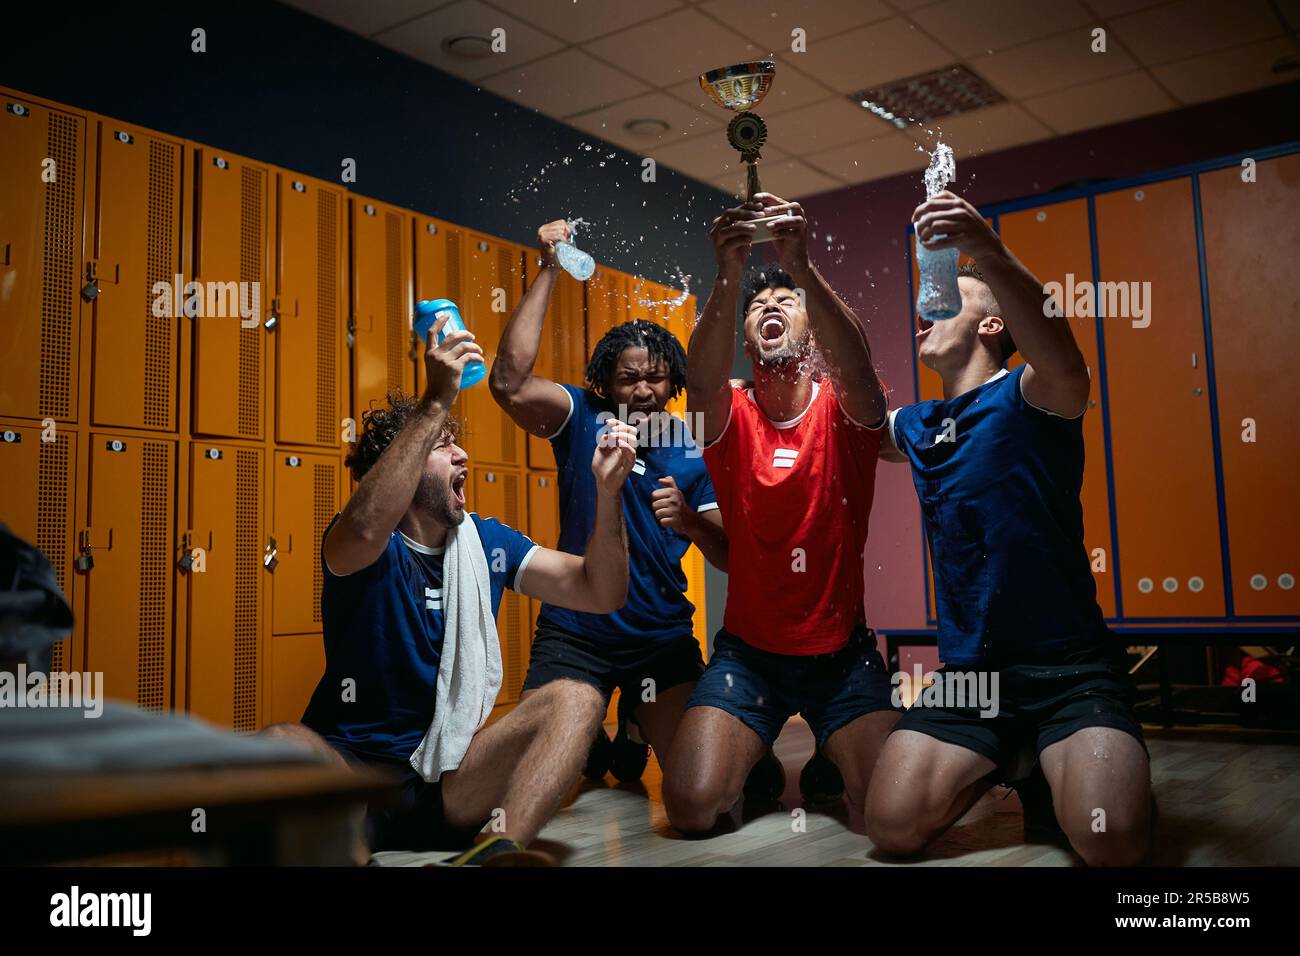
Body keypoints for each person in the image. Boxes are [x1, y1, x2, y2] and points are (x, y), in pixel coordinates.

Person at [265, 312, 639, 866]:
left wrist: (609, 496)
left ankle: (498, 850)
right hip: (353, 775)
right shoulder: (362, 545)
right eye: (443, 447)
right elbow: (368, 523)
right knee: (282, 740)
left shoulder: (486, 544)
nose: (463, 454)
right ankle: (353, 854)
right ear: (407, 463)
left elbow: (600, 590)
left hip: (445, 781)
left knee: (577, 697)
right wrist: (433, 403)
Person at [864, 190, 1152, 866]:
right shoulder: (918, 427)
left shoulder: (1032, 395)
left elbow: (1065, 357)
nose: (924, 316)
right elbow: (860, 425)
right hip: (972, 676)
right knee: (891, 828)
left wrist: (988, 253)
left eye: (951, 303)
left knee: (1108, 840)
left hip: (1072, 671)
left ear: (992, 326)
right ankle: (1015, 758)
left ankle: (1068, 760)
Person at [662, 192, 900, 833]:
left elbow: (860, 367)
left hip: (841, 657)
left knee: (892, 808)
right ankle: (758, 757)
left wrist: (802, 263)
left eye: (785, 299)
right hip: (750, 657)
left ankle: (832, 751)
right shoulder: (730, 412)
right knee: (690, 805)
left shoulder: (842, 410)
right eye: (757, 305)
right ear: (745, 333)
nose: (769, 305)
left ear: (810, 322)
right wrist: (729, 273)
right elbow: (701, 376)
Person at [489, 220, 728, 783]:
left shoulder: (693, 449)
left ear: (674, 386)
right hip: (576, 633)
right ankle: (600, 735)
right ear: (604, 384)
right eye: (628, 379)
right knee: (537, 777)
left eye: (657, 379)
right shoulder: (579, 419)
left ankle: (638, 722)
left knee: (699, 792)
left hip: (658, 638)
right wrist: (548, 266)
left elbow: (730, 555)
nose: (643, 391)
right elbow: (507, 383)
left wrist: (691, 522)